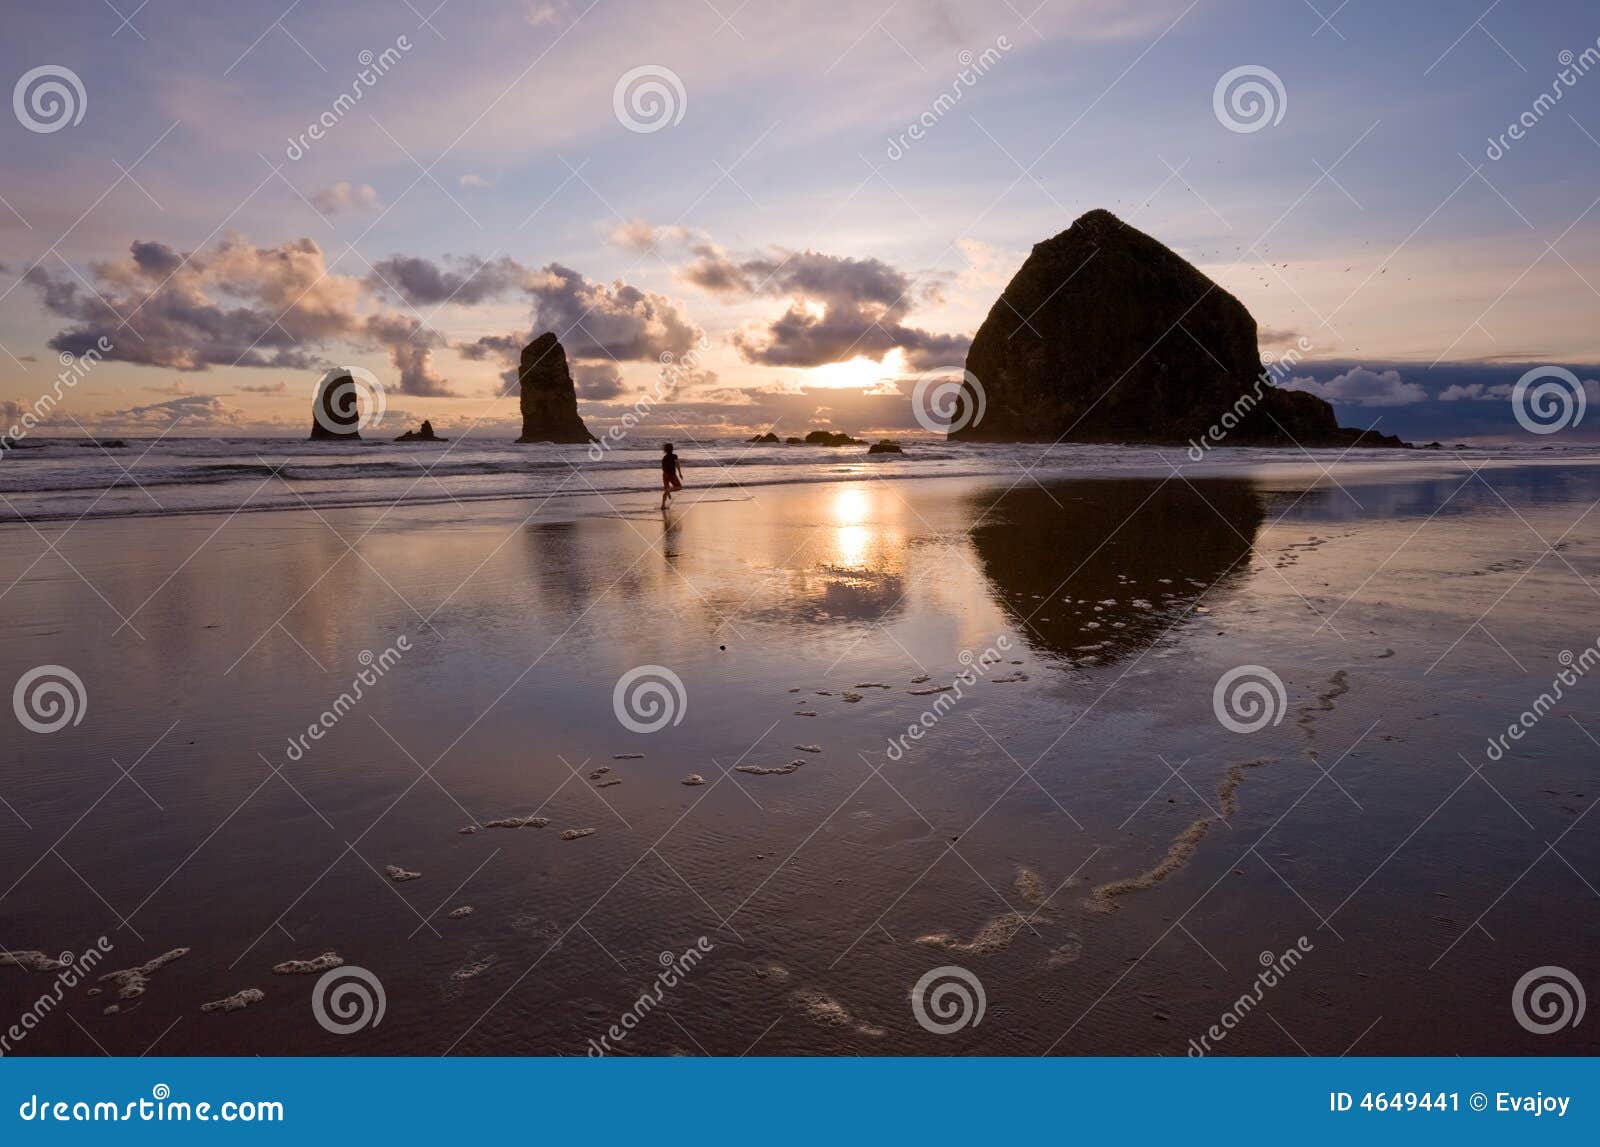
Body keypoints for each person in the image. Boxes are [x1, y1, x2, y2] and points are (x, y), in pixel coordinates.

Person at [661, 442, 684, 509]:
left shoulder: (664, 457)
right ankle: (669, 491)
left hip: (665, 474)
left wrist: (665, 474)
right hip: (672, 474)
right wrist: (680, 473)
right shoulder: (674, 456)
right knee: (679, 487)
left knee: (666, 489)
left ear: (665, 450)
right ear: (672, 449)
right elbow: (677, 465)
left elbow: (663, 467)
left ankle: (663, 505)